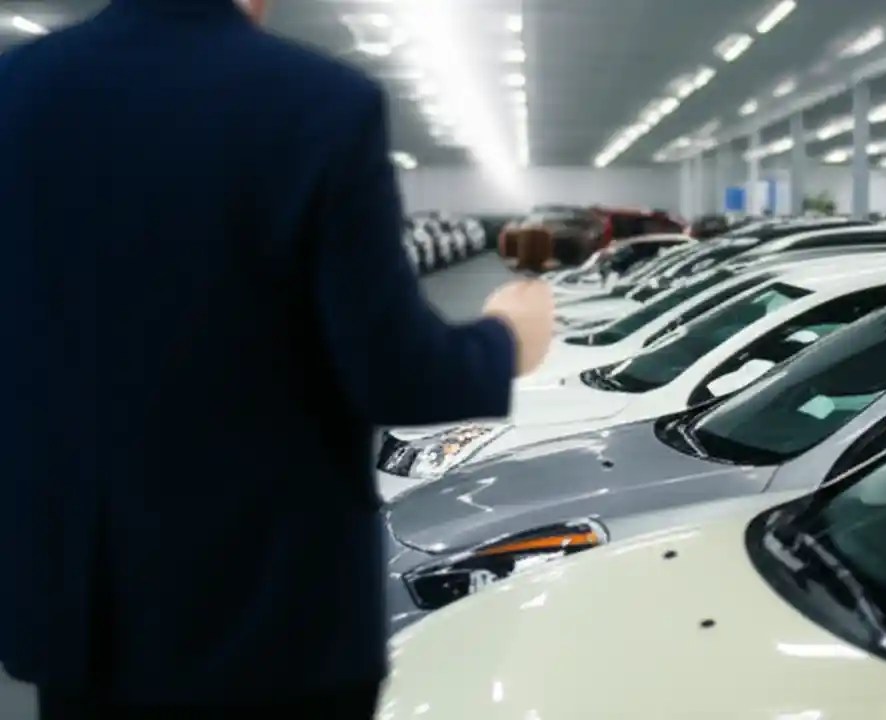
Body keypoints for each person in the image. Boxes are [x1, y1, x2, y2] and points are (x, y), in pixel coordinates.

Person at [0, 0, 554, 717]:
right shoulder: (320, 102)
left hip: (85, 614)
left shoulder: (18, 90)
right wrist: (507, 338)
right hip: (267, 619)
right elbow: (393, 373)